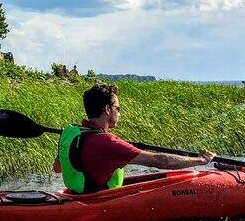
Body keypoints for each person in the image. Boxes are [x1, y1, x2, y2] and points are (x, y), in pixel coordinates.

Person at [55, 82, 216, 193]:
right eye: (118, 108)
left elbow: (58, 168)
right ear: (107, 110)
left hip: (75, 194)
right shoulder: (109, 143)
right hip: (97, 201)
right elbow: (161, 161)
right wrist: (201, 161)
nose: (119, 112)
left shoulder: (70, 133)